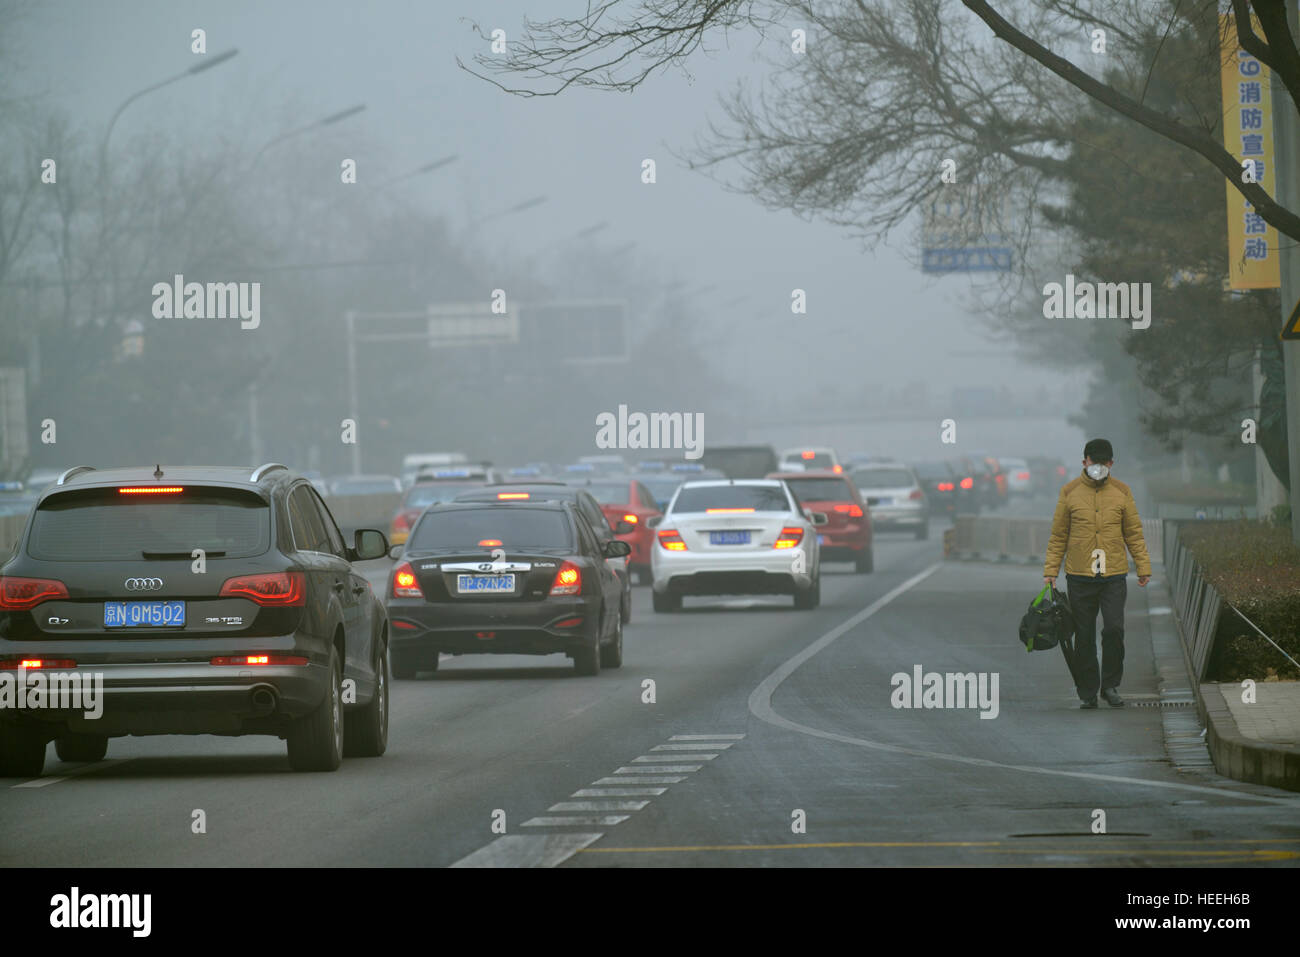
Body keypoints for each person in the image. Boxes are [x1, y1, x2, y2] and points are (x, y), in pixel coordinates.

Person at [1042, 438, 1152, 709]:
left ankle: (1111, 685)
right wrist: (1050, 571)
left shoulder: (1122, 492)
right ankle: (1087, 691)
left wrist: (1143, 567)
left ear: (1111, 464)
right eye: (1093, 462)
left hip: (1113, 575)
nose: (1098, 467)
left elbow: (1134, 534)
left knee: (1114, 629)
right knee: (1084, 635)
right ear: (1084, 462)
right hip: (1079, 576)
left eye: (1103, 463)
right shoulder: (1069, 492)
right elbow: (1059, 536)